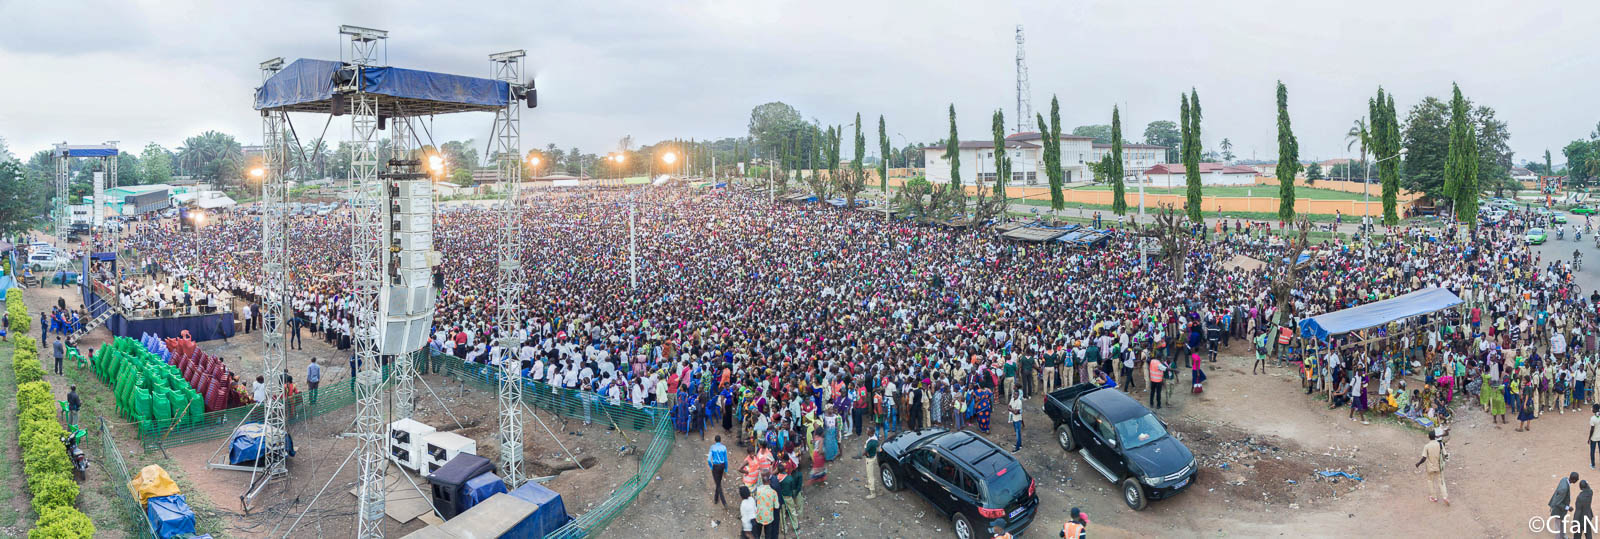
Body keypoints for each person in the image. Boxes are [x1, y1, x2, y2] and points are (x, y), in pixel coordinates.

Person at [1414, 429, 1449, 505]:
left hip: (1430, 467)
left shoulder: (1427, 446)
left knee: (1430, 481)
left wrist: (1418, 463)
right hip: (1439, 466)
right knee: (1441, 482)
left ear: (1429, 437)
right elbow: (1445, 454)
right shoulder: (1440, 444)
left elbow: (1424, 458)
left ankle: (1434, 497)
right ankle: (1445, 497)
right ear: (1435, 437)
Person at [1552, 472, 1579, 537]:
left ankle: (1563, 535)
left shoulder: (1564, 479)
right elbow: (1557, 503)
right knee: (1558, 526)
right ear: (1574, 480)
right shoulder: (1564, 489)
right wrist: (1568, 508)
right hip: (1558, 510)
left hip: (1562, 509)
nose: (1577, 480)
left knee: (1562, 522)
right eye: (1577, 479)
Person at [753, 474, 778, 539]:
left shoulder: (758, 490)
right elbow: (776, 506)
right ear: (769, 481)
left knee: (757, 534)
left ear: (762, 482)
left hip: (759, 516)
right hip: (768, 518)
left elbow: (754, 501)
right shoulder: (773, 492)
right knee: (768, 535)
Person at [708, 435, 729, 507]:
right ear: (720, 440)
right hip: (722, 466)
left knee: (718, 484)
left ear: (715, 440)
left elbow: (708, 460)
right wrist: (726, 469)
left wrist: (711, 467)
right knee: (718, 482)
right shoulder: (724, 447)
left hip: (715, 467)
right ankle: (716, 499)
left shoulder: (712, 447)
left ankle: (724, 502)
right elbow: (726, 459)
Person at [862, 431, 880, 499]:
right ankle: (870, 485)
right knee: (869, 474)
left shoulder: (871, 442)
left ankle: (873, 492)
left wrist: (862, 454)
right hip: (872, 457)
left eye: (867, 431)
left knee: (870, 476)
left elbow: (865, 452)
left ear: (870, 433)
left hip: (869, 459)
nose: (866, 432)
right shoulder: (875, 438)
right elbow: (878, 446)